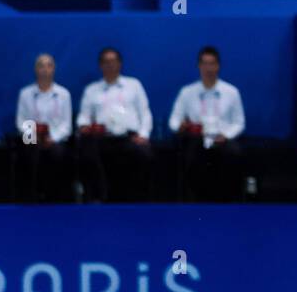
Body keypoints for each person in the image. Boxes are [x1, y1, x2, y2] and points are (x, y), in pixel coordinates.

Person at [76, 46, 153, 201]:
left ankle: (138, 203)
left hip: (129, 137)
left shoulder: (134, 85)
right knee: (86, 152)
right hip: (102, 138)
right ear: (100, 65)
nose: (110, 65)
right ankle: (99, 199)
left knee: (144, 154)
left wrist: (143, 135)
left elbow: (145, 113)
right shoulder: (92, 90)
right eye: (106, 62)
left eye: (113, 61)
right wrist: (84, 126)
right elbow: (83, 117)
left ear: (120, 64)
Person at [168, 46, 245, 200]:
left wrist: (226, 135)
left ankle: (229, 201)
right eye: (205, 64)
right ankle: (193, 201)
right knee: (191, 154)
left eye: (212, 64)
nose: (209, 68)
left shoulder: (231, 92)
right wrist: (180, 126)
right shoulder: (187, 92)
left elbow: (239, 122)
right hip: (197, 138)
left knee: (234, 153)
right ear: (199, 66)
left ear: (218, 66)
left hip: (222, 138)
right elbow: (173, 120)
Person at [14, 53, 74, 202]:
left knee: (58, 153)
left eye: (49, 65)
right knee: (28, 150)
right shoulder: (25, 93)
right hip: (31, 136)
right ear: (35, 69)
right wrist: (34, 135)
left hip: (55, 138)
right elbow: (20, 120)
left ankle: (55, 196)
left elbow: (66, 124)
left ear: (53, 69)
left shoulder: (63, 94)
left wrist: (52, 138)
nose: (45, 69)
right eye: (41, 65)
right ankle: (30, 196)